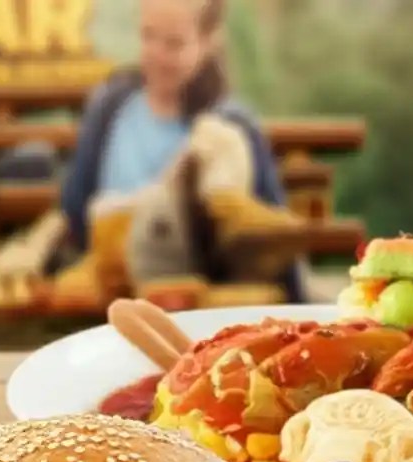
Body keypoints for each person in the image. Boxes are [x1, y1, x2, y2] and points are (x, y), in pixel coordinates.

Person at [55, 0, 304, 302]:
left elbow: (269, 241)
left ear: (208, 41)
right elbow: (76, 207)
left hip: (193, 304)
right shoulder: (110, 106)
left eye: (174, 44)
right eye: (148, 36)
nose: (157, 55)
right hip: (112, 300)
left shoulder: (230, 128)